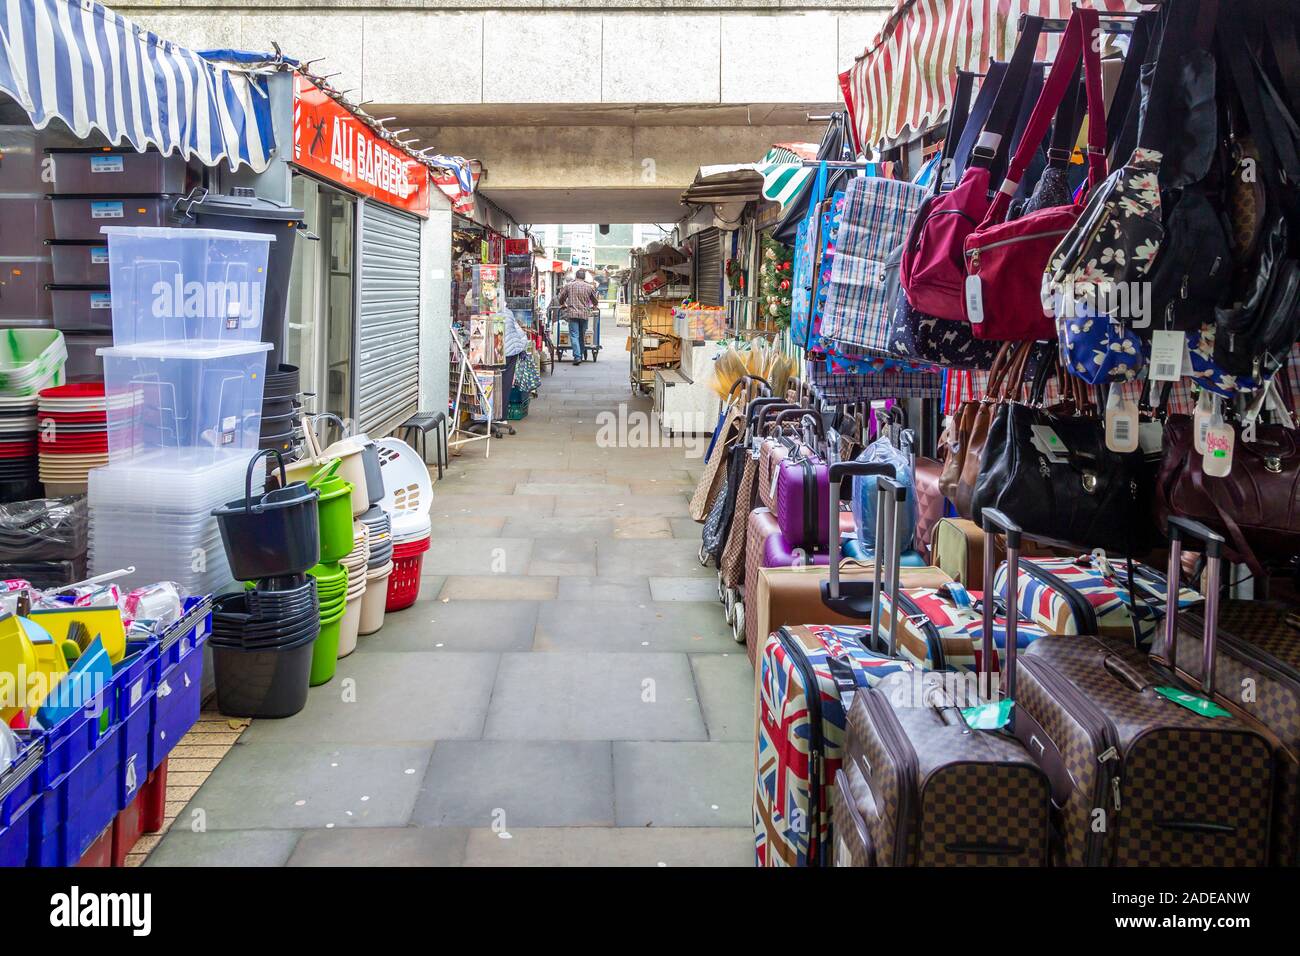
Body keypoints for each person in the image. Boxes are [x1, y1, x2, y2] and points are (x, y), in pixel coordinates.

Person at [556, 268, 599, 365]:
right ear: (584, 278)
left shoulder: (569, 285)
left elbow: (561, 297)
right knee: (581, 335)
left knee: (574, 335)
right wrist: (594, 306)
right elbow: (595, 300)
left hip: (572, 314)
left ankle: (577, 356)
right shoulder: (589, 287)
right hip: (584, 314)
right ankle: (580, 354)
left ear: (576, 277)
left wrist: (563, 304)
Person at [501, 304, 528, 405]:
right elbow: (520, 333)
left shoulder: (491, 315)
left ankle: (497, 414)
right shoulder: (508, 311)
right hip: (513, 350)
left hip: (504, 352)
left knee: (500, 383)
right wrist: (522, 347)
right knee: (506, 383)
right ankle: (502, 416)